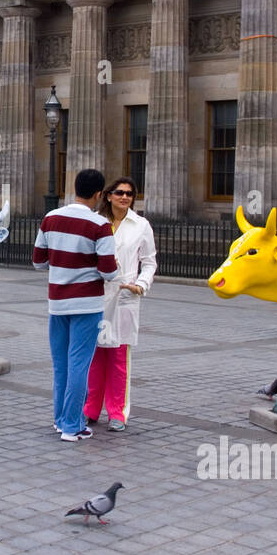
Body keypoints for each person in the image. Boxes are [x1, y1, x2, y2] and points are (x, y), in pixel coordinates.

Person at [32, 169, 118, 441]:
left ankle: (61, 420)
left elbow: (38, 262)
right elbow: (108, 271)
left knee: (61, 365)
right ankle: (72, 426)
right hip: (87, 304)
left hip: (57, 302)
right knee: (79, 364)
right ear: (98, 194)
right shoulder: (100, 225)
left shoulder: (50, 218)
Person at [82, 177, 157, 433]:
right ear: (109, 195)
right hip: (98, 294)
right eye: (120, 193)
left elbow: (149, 262)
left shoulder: (141, 225)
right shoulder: (96, 222)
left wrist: (141, 284)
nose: (125, 197)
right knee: (95, 355)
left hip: (125, 295)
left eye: (130, 194)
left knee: (118, 357)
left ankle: (117, 412)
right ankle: (90, 409)